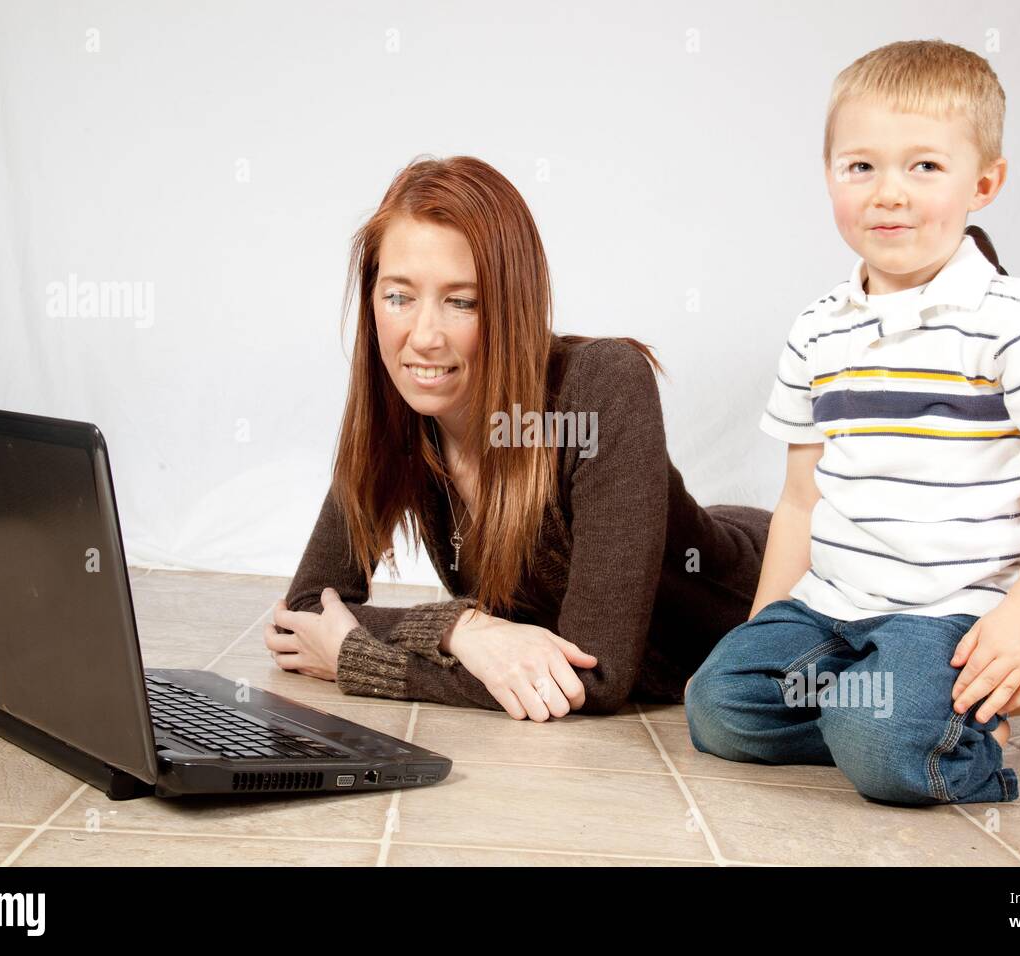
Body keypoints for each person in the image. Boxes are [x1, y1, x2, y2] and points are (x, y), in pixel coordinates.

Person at [684, 40, 1020, 804]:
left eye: (924, 167)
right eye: (861, 167)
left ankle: (951, 711)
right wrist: (764, 631)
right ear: (830, 177)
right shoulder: (818, 328)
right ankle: (954, 709)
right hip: (835, 604)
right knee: (720, 708)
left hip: (962, 611)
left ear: (984, 183)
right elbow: (799, 499)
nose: (888, 193)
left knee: (883, 746)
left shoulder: (1017, 321)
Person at [268, 155, 771, 720]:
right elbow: (305, 613)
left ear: (512, 307)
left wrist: (358, 656)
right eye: (399, 297)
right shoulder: (399, 414)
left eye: (462, 301)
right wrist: (463, 630)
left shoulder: (603, 385)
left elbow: (593, 676)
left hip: (774, 591)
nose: (424, 336)